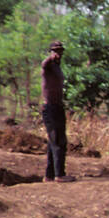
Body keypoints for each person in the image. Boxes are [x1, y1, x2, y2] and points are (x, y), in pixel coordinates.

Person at [41, 39, 73, 183]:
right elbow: (44, 64)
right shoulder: (48, 65)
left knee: (55, 141)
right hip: (50, 108)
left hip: (58, 107)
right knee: (57, 140)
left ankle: (49, 175)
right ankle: (60, 175)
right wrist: (51, 57)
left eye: (60, 51)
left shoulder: (57, 68)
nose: (58, 54)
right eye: (55, 50)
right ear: (51, 52)